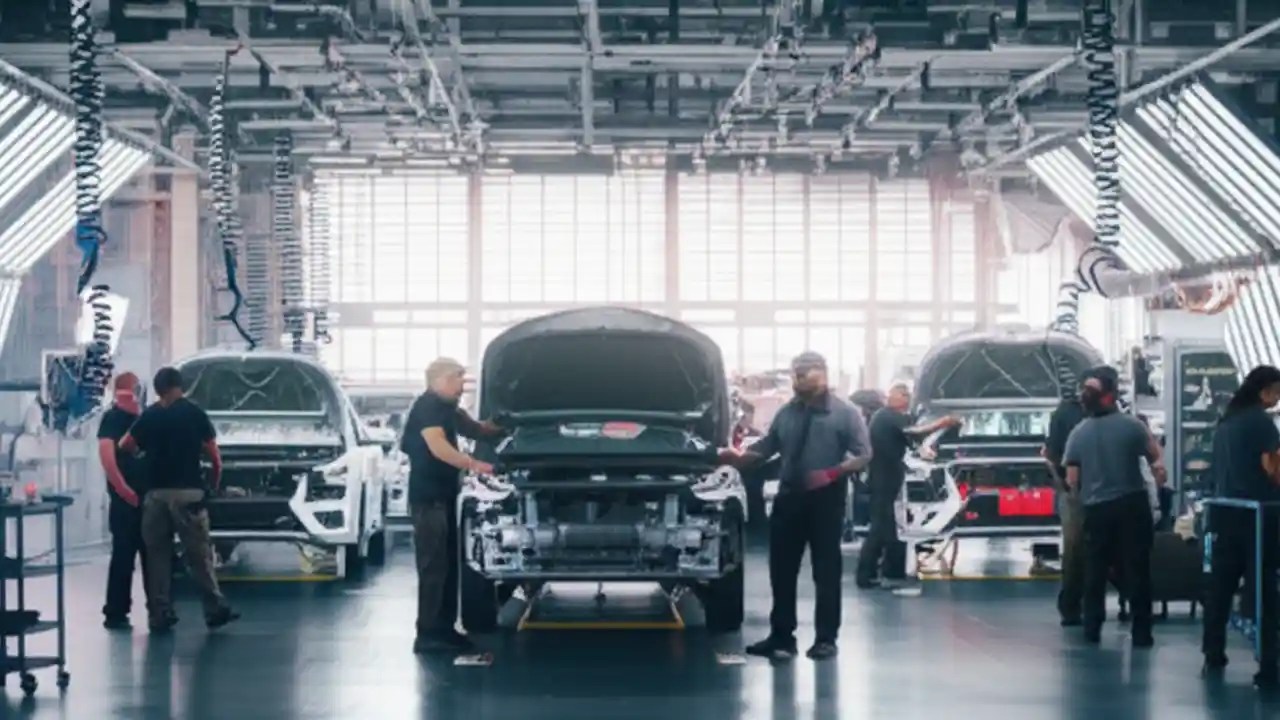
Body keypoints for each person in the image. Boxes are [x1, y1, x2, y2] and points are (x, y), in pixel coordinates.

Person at [719, 351, 871, 661]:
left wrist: (831, 473)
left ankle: (826, 639)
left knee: (826, 571)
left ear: (823, 375)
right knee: (781, 569)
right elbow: (768, 445)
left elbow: (864, 454)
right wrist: (740, 458)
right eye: (796, 375)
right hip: (789, 497)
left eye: (806, 375)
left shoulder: (845, 413)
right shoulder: (787, 412)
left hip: (826, 500)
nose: (799, 381)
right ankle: (781, 636)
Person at [120, 367, 237, 633]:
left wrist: (143, 456)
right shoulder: (194, 413)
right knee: (199, 556)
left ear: (159, 389)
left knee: (157, 557)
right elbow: (214, 456)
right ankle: (214, 610)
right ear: (179, 386)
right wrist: (214, 484)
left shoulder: (149, 415)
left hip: (155, 496)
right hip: (188, 494)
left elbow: (125, 444)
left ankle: (160, 615)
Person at [401, 358, 504, 655]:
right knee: (434, 566)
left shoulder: (448, 408)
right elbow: (438, 447)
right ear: (442, 380)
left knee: (447, 565)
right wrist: (474, 464)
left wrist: (504, 422)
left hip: (444, 497)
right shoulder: (428, 407)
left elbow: (478, 429)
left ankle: (444, 629)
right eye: (459, 379)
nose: (463, 385)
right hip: (428, 499)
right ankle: (429, 633)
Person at [1062, 366, 1164, 647]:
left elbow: (1073, 479)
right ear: (1112, 396)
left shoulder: (1078, 433)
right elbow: (1156, 458)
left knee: (1095, 571)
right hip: (1132, 505)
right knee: (1137, 569)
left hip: (1096, 509)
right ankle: (1142, 632)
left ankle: (1092, 628)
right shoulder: (1133, 426)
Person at [1202, 365, 1280, 691]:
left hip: (1224, 514)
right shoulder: (1261, 423)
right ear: (1264, 391)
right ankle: (1269, 665)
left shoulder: (1226, 422)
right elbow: (1273, 470)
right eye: (1276, 392)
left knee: (1220, 588)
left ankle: (1213, 652)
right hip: (1258, 518)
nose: (1277, 399)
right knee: (1263, 590)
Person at [855, 383, 960, 589]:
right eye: (902, 394)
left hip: (886, 478)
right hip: (883, 479)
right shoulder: (888, 416)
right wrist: (944, 422)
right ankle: (867, 575)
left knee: (888, 528)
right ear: (891, 396)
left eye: (907, 394)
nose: (906, 398)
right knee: (880, 528)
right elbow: (915, 433)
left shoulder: (889, 417)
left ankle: (889, 572)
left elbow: (911, 439)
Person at [97, 372, 150, 630]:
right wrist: (123, 489)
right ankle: (116, 609)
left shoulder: (144, 418)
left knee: (152, 557)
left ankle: (157, 607)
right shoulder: (113, 419)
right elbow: (107, 458)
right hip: (124, 500)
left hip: (146, 498)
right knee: (123, 556)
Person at [1043, 378, 1088, 626]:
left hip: (1075, 492)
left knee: (1075, 551)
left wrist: (1063, 485)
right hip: (1099, 493)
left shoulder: (1065, 414)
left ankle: (1073, 607)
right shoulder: (1120, 419)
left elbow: (1051, 454)